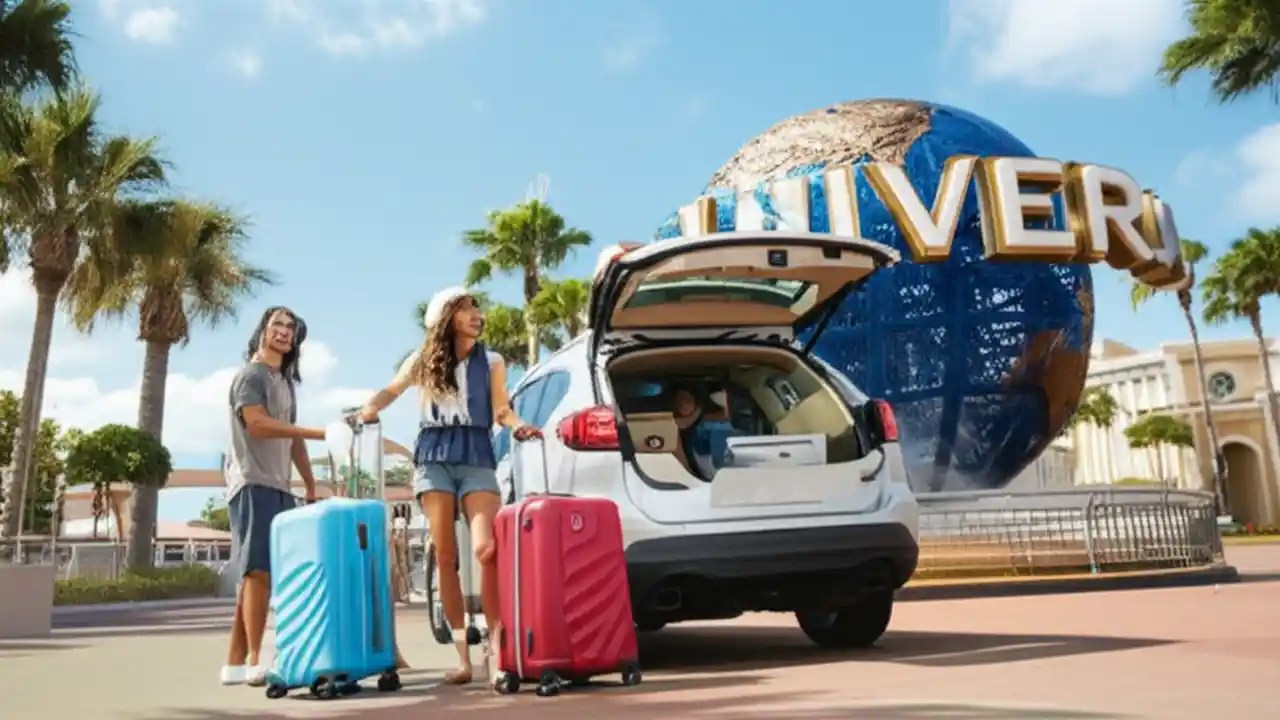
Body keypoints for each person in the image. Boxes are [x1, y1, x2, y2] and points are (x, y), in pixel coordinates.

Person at [356, 286, 538, 686]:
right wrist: (370, 408)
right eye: (465, 308)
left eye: (476, 307)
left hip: (476, 452)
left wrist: (517, 424)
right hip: (434, 454)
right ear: (446, 318)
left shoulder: (492, 361)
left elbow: (500, 408)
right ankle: (462, 657)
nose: (476, 313)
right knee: (446, 556)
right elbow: (392, 389)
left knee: (486, 549)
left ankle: (496, 650)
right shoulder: (423, 361)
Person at [220, 306, 325, 687]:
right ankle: (253, 660)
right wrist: (321, 432)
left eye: (291, 328)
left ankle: (233, 664)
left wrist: (310, 485)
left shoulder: (285, 383)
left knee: (258, 574)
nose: (284, 331)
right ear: (263, 331)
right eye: (277, 324)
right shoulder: (250, 375)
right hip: (250, 482)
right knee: (258, 571)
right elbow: (258, 424)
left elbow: (291, 436)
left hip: (279, 485)